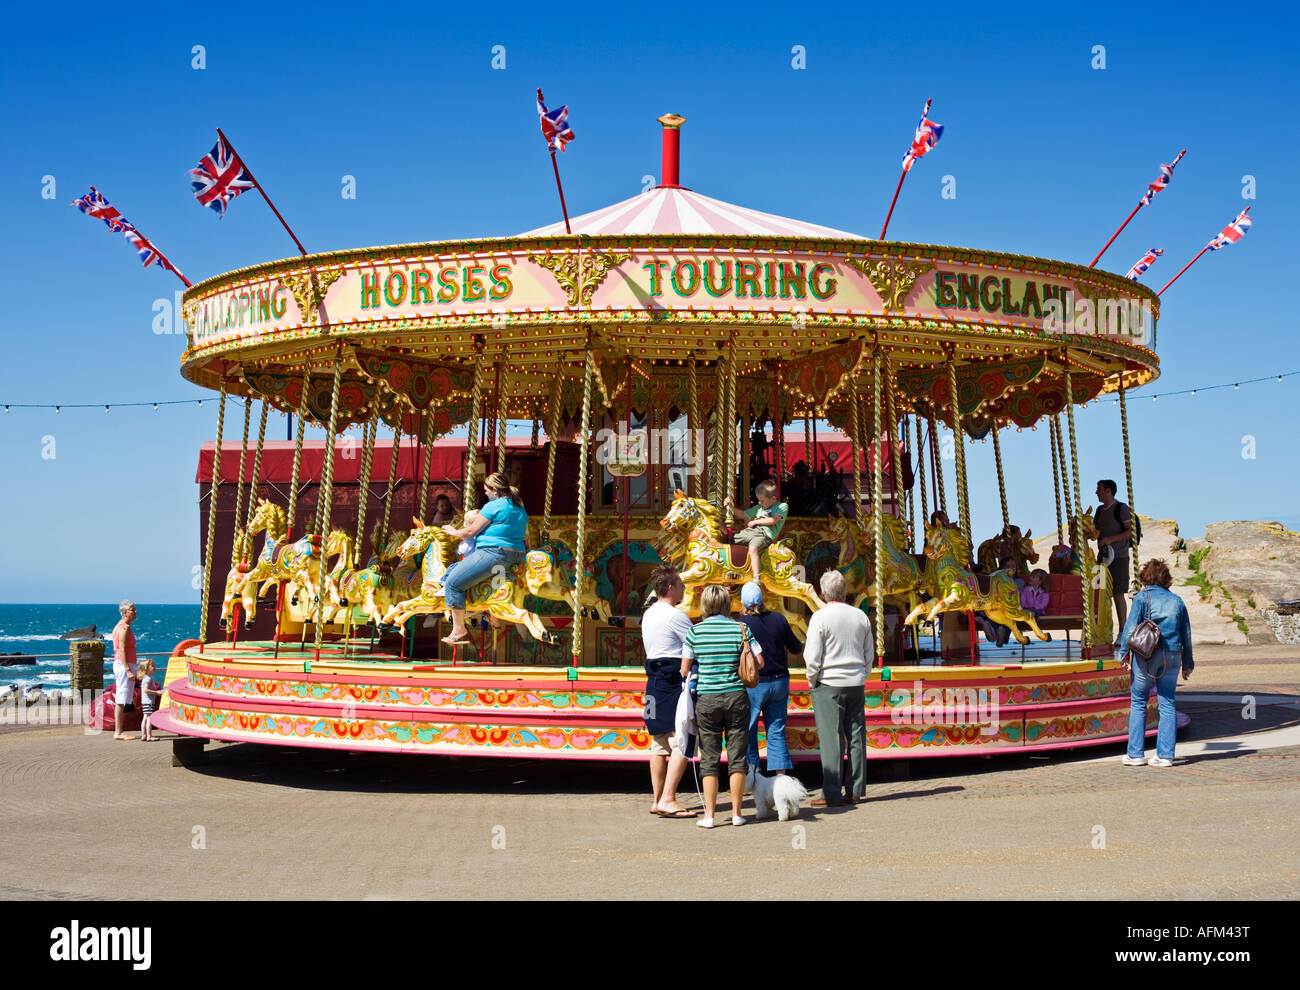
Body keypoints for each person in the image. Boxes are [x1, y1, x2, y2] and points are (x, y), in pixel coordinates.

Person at [681, 584, 760, 828]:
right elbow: (760, 660)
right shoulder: (741, 628)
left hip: (707, 698)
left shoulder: (695, 632)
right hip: (737, 696)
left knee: (710, 758)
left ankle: (710, 816)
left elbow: (684, 669)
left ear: (704, 604)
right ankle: (737, 813)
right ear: (727, 604)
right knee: (737, 756)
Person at [803, 570, 871, 806]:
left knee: (831, 737)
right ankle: (854, 789)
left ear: (822, 592)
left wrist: (812, 679)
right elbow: (868, 653)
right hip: (855, 681)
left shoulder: (820, 617)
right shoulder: (860, 616)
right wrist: (862, 674)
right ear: (845, 591)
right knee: (856, 736)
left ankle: (831, 791)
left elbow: (812, 656)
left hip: (829, 682)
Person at [1118, 558, 1193, 767]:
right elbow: (1186, 634)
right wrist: (1188, 663)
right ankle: (1165, 755)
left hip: (1147, 654)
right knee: (1167, 703)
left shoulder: (1142, 598)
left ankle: (1135, 754)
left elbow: (1130, 628)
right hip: (1173, 654)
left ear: (1146, 577)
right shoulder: (1177, 600)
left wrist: (1124, 654)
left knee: (1139, 701)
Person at [438, 472, 528, 644]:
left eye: (487, 490)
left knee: (453, 583)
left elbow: (471, 531)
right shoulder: (518, 506)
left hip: (493, 553)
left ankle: (459, 629)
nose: (485, 493)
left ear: (495, 489)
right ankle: (487, 612)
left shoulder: (493, 506)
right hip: (516, 555)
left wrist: (453, 532)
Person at [641, 566, 696, 819]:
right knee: (681, 740)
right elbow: (694, 645)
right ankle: (669, 798)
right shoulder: (676, 616)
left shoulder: (649, 614)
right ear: (671, 588)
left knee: (658, 741)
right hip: (672, 679)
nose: (684, 589)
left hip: (653, 679)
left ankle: (657, 799)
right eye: (681, 585)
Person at [736, 582, 802, 777]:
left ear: (742, 602)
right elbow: (796, 648)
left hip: (755, 683)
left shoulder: (740, 624)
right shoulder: (779, 619)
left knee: (749, 730)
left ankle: (753, 775)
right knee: (776, 731)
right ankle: (780, 778)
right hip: (779, 681)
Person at [725, 479, 789, 583]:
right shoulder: (759, 508)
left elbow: (773, 520)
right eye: (758, 500)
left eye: (762, 500)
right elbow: (743, 515)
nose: (759, 502)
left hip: (765, 535)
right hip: (751, 531)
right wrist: (730, 506)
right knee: (729, 538)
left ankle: (756, 577)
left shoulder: (782, 506)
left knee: (753, 548)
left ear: (773, 499)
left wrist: (755, 522)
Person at [1094, 479, 1134, 632]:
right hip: (1103, 558)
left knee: (1118, 593)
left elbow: (1130, 532)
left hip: (1119, 556)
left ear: (1108, 491)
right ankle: (1103, 629)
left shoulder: (1121, 508)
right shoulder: (1099, 511)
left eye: (1099, 489)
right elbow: (1096, 531)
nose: (1096, 492)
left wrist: (1111, 539)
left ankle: (1123, 629)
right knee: (1100, 593)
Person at [111, 600, 139, 741]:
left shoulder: (120, 626)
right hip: (124, 665)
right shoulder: (124, 628)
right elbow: (121, 649)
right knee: (121, 699)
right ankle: (118, 731)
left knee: (122, 698)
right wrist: (128, 669)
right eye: (132, 609)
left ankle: (120, 730)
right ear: (124, 612)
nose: (135, 612)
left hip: (121, 664)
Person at [137, 658, 162, 742]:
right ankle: (149, 736)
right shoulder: (148, 679)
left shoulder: (145, 678)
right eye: (152, 666)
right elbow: (146, 690)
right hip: (149, 701)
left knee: (145, 717)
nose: (155, 667)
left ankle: (144, 735)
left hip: (145, 701)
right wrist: (156, 692)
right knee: (149, 718)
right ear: (147, 668)